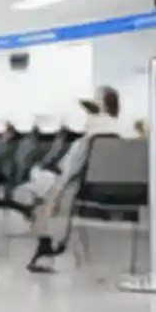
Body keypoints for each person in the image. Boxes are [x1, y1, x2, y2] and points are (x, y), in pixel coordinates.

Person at [26, 87, 124, 273]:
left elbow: (69, 170)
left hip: (80, 186)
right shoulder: (119, 132)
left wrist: (57, 192)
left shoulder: (90, 136)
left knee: (47, 189)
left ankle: (46, 245)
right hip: (112, 185)